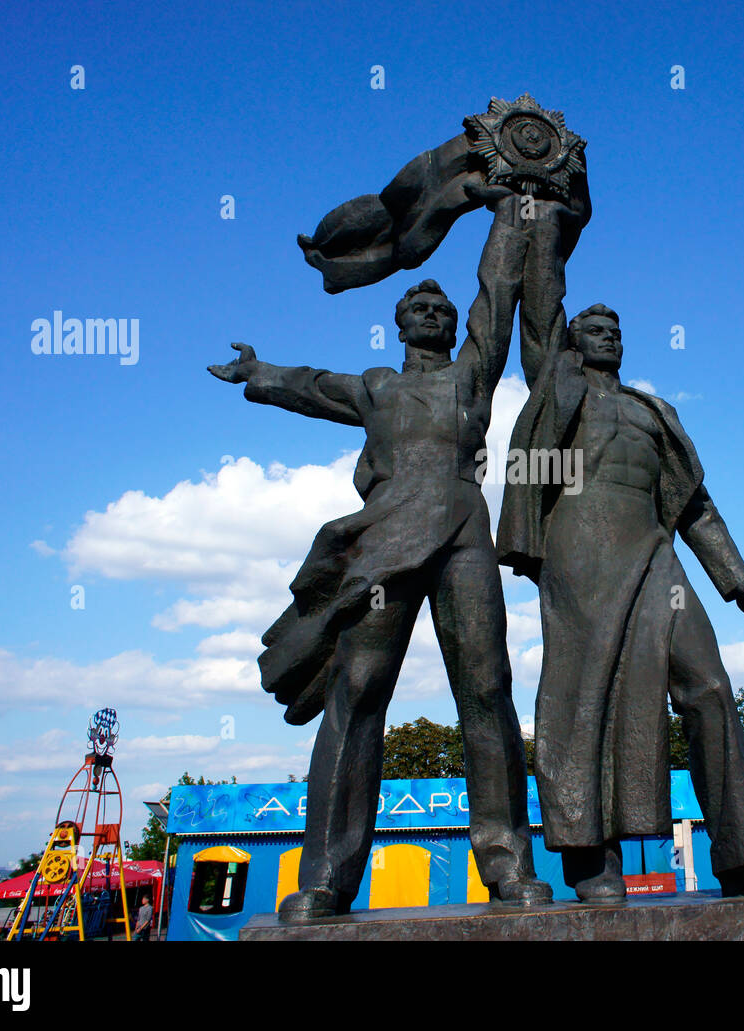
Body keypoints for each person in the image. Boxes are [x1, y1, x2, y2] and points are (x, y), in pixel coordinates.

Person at [208, 187, 584, 921]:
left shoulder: (471, 376)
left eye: (443, 312)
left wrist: (513, 215)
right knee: (358, 691)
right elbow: (310, 386)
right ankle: (327, 875)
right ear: (399, 325)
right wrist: (257, 373)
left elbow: (496, 292)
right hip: (386, 542)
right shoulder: (376, 387)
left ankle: (508, 864)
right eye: (422, 310)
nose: (436, 315)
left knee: (486, 690)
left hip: (463, 539)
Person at [497, 304, 744, 904]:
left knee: (710, 689)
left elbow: (693, 505)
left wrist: (740, 581)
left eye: (616, 330)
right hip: (580, 547)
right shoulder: (557, 389)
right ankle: (594, 860)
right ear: (571, 341)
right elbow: (540, 306)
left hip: (652, 548)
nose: (609, 336)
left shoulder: (652, 410)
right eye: (594, 329)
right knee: (587, 698)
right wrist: (539, 217)